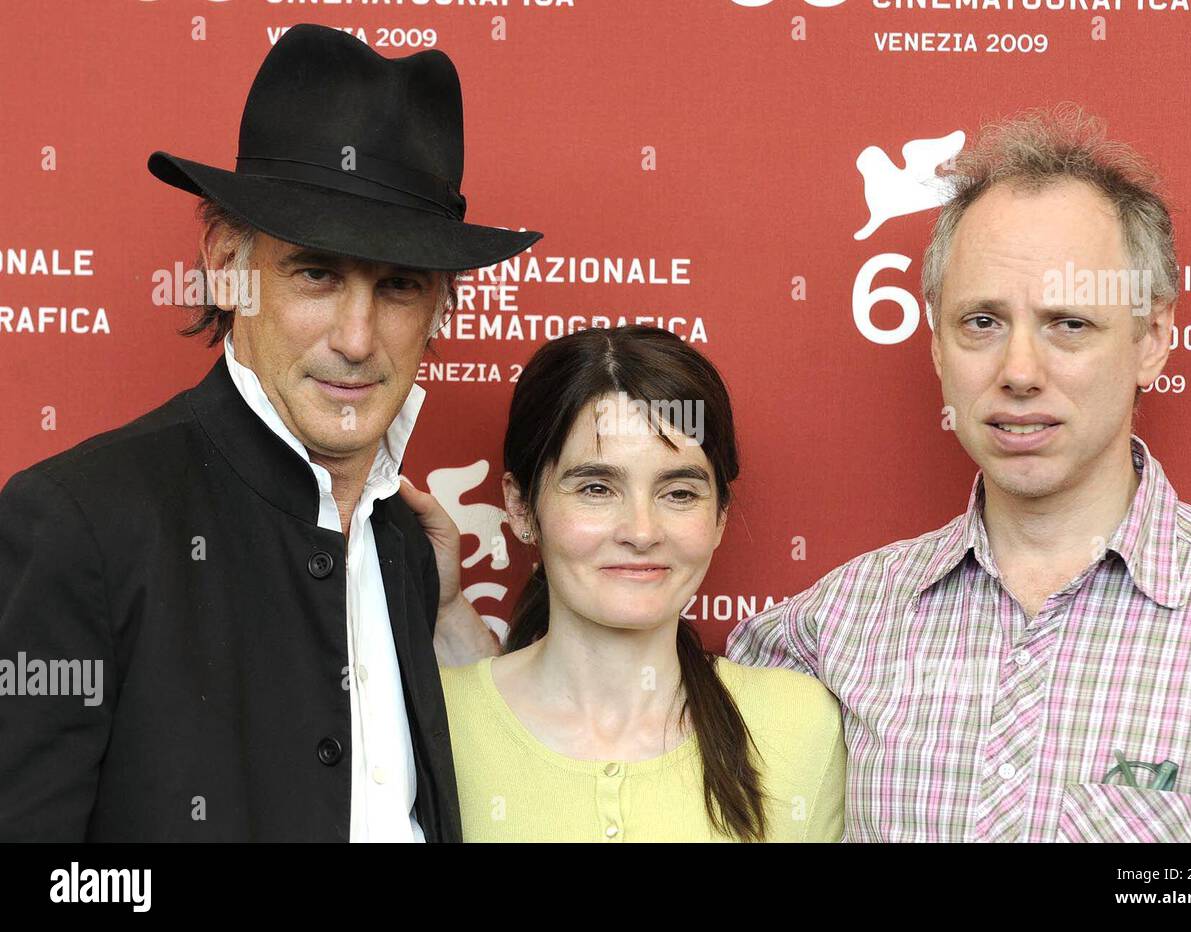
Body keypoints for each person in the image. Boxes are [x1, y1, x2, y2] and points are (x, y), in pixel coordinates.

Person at [0, 24, 539, 841]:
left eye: (398, 286)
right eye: (316, 272)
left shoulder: (405, 551)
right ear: (225, 261)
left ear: (440, 309)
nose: (357, 339)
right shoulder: (82, 524)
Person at [727, 104, 1191, 842]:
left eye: (1068, 323)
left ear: (1151, 340)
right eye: (982, 323)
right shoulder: (827, 633)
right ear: (937, 344)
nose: (1019, 372)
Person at [402, 326, 845, 841]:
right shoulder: (421, 724)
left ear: (721, 514)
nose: (641, 531)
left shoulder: (801, 725)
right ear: (521, 507)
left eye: (679, 493)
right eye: (596, 488)